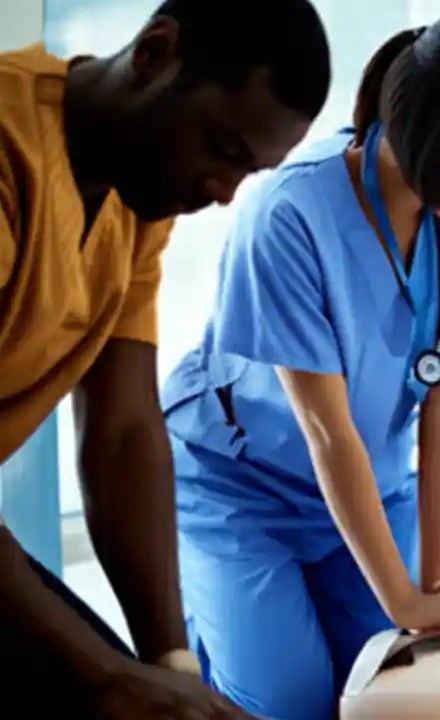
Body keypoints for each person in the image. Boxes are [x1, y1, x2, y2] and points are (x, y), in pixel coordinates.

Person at [159, 12, 440, 719]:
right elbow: (325, 430)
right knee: (291, 702)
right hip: (243, 489)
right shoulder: (290, 211)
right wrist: (404, 597)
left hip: (372, 482)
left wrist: (432, 584)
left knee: (387, 686)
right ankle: (198, 642)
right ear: (421, 118)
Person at [0, 0, 330, 716]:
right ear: (155, 52)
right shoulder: (9, 150)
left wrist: (172, 670)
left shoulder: (134, 196)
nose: (221, 193)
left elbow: (122, 432)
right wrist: (110, 678)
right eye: (222, 149)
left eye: (251, 173)